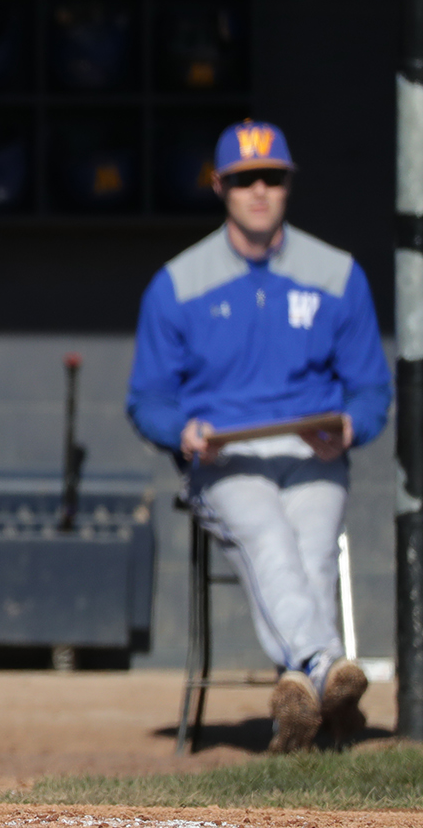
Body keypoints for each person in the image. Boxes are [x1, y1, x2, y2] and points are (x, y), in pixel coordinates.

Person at [127, 120, 389, 753]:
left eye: (271, 177)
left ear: (288, 184)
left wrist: (351, 425)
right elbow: (147, 400)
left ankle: (301, 696)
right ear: (220, 186)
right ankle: (324, 667)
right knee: (269, 534)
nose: (260, 191)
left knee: (313, 548)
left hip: (312, 450)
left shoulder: (337, 273)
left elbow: (371, 390)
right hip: (227, 459)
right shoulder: (179, 282)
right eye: (245, 180)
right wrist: (183, 431)